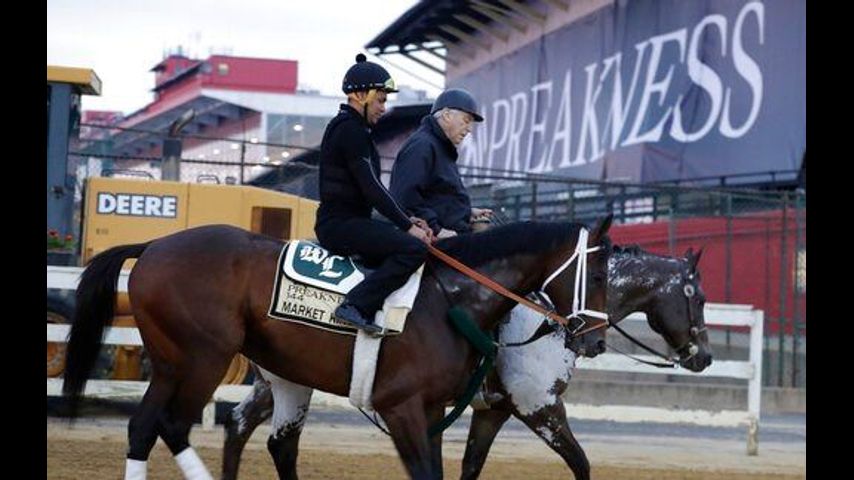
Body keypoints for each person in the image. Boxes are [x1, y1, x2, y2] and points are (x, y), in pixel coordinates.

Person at [316, 53, 432, 335]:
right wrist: (406, 226)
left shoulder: (356, 130)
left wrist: (407, 221)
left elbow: (372, 192)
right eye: (380, 99)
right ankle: (355, 306)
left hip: (350, 222)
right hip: (339, 225)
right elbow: (372, 188)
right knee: (413, 249)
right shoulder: (349, 130)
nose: (384, 107)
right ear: (359, 95)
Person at [390, 88, 492, 239]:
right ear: (446, 115)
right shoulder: (422, 145)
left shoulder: (439, 146)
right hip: (438, 240)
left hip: (455, 234)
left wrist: (466, 212)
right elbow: (405, 198)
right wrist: (436, 229)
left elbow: (438, 197)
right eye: (466, 121)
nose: (469, 129)